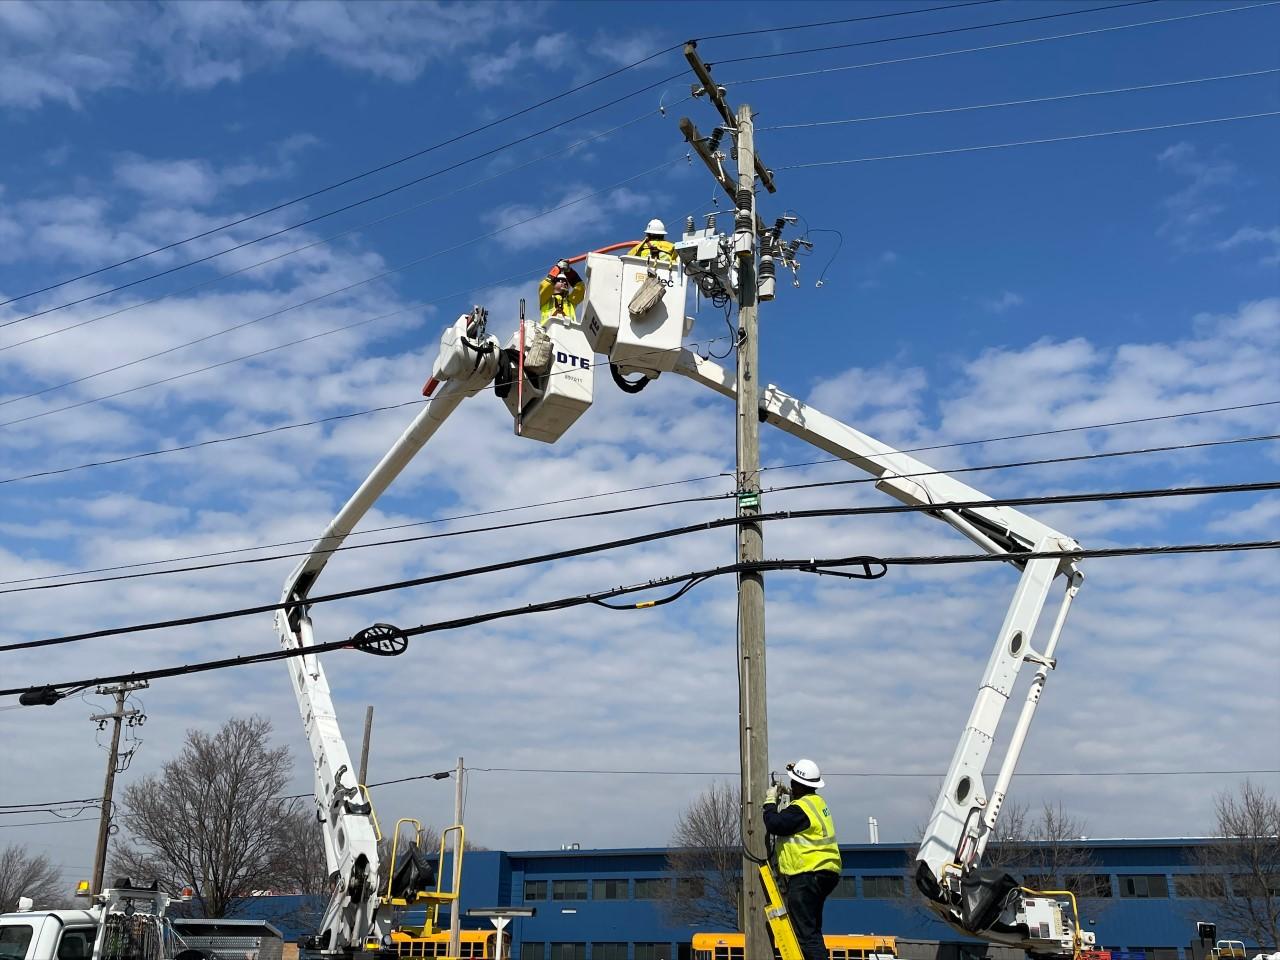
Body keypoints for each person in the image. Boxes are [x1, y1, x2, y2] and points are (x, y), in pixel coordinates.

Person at [763, 758, 841, 960]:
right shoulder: (817, 803)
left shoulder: (800, 809)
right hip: (825, 874)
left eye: (793, 783)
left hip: (807, 875)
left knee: (806, 937)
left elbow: (775, 824)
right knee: (812, 932)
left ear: (798, 785)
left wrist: (770, 802)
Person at [538, 258, 584, 327]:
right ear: (553, 284)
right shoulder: (546, 300)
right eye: (560, 281)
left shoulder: (570, 302)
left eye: (566, 282)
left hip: (568, 332)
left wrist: (569, 272)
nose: (564, 283)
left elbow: (581, 289)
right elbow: (545, 286)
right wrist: (557, 268)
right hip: (548, 331)